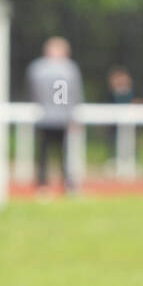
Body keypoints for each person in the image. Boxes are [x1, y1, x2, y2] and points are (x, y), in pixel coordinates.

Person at [25, 36, 84, 192]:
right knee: (61, 153)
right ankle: (66, 184)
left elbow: (33, 92)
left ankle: (44, 184)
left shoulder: (37, 68)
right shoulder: (70, 69)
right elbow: (75, 94)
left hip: (46, 115)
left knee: (47, 153)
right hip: (60, 116)